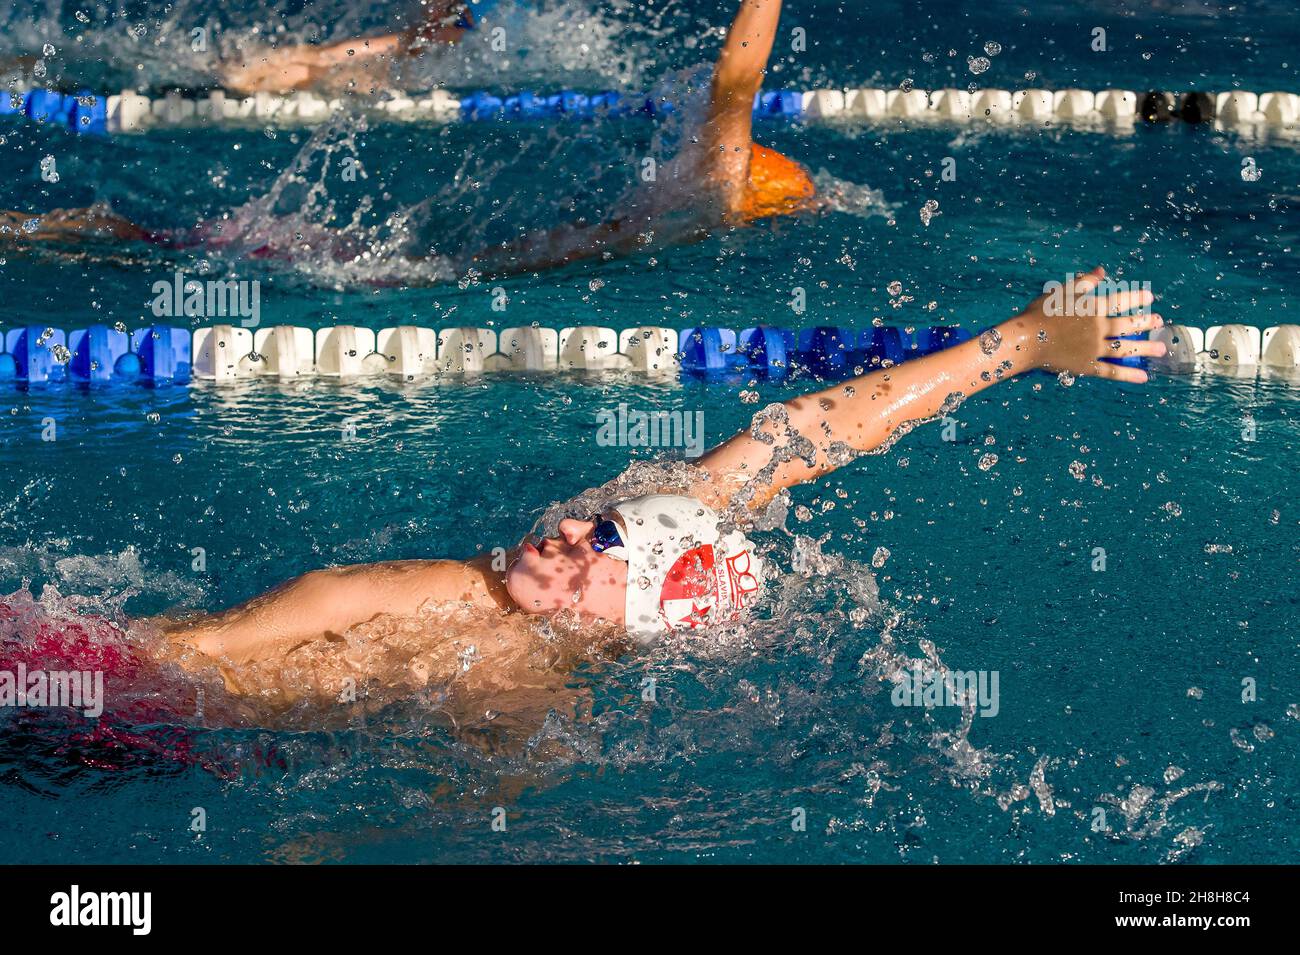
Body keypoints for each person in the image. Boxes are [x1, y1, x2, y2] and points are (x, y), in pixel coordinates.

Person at [142, 268, 1165, 718]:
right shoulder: (483, 594)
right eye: (601, 519)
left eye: (605, 543)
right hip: (127, 678)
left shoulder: (524, 671)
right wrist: (1017, 343)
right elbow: (800, 439)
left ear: (630, 612)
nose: (575, 525)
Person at [0, 0, 815, 270]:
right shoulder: (699, 211)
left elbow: (735, 84)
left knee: (242, 245)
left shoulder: (708, 190)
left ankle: (76, 229)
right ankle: (78, 231)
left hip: (448, 268)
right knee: (252, 246)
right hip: (459, 270)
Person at [219, 1, 495, 95]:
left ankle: (246, 75)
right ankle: (245, 73)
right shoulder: (434, 30)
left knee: (325, 73)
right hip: (408, 61)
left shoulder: (457, 27)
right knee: (321, 62)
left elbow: (432, 37)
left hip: (405, 72)